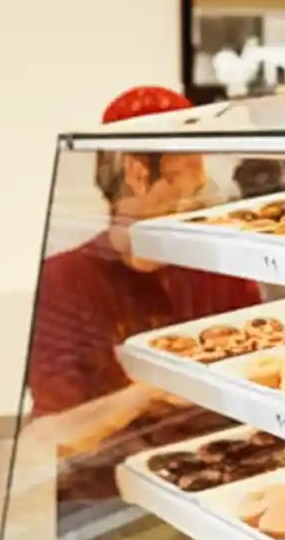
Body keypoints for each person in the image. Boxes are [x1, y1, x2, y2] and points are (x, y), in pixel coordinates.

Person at [28, 86, 262, 507]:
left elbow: (260, 382)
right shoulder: (67, 280)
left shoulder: (220, 266)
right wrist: (150, 391)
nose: (203, 184)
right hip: (112, 504)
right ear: (138, 173)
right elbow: (49, 441)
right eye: (190, 165)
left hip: (230, 490)